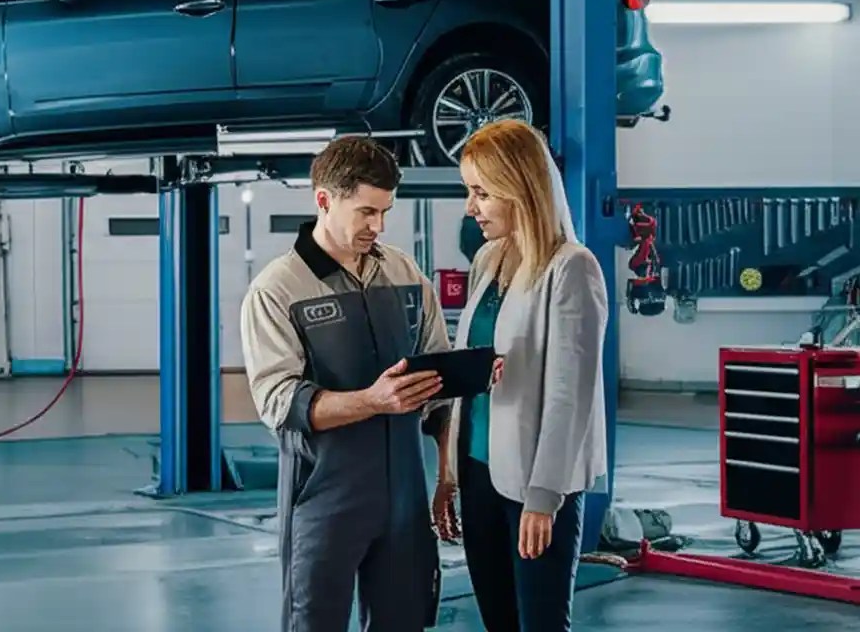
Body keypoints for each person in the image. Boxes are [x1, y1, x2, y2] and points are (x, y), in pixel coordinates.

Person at [239, 136, 457, 632]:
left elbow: (439, 380)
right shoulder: (278, 289)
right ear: (324, 200)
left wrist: (446, 474)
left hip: (405, 498)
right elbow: (278, 401)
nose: (377, 226)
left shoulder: (403, 273)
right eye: (365, 212)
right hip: (323, 501)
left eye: (385, 212)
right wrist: (371, 401)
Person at [430, 118, 610, 632]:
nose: (471, 207)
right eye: (470, 192)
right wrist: (448, 475)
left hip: (537, 481)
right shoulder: (488, 260)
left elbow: (569, 396)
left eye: (481, 193)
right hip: (481, 471)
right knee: (498, 621)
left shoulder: (572, 268)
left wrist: (545, 497)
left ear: (520, 187)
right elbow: (477, 369)